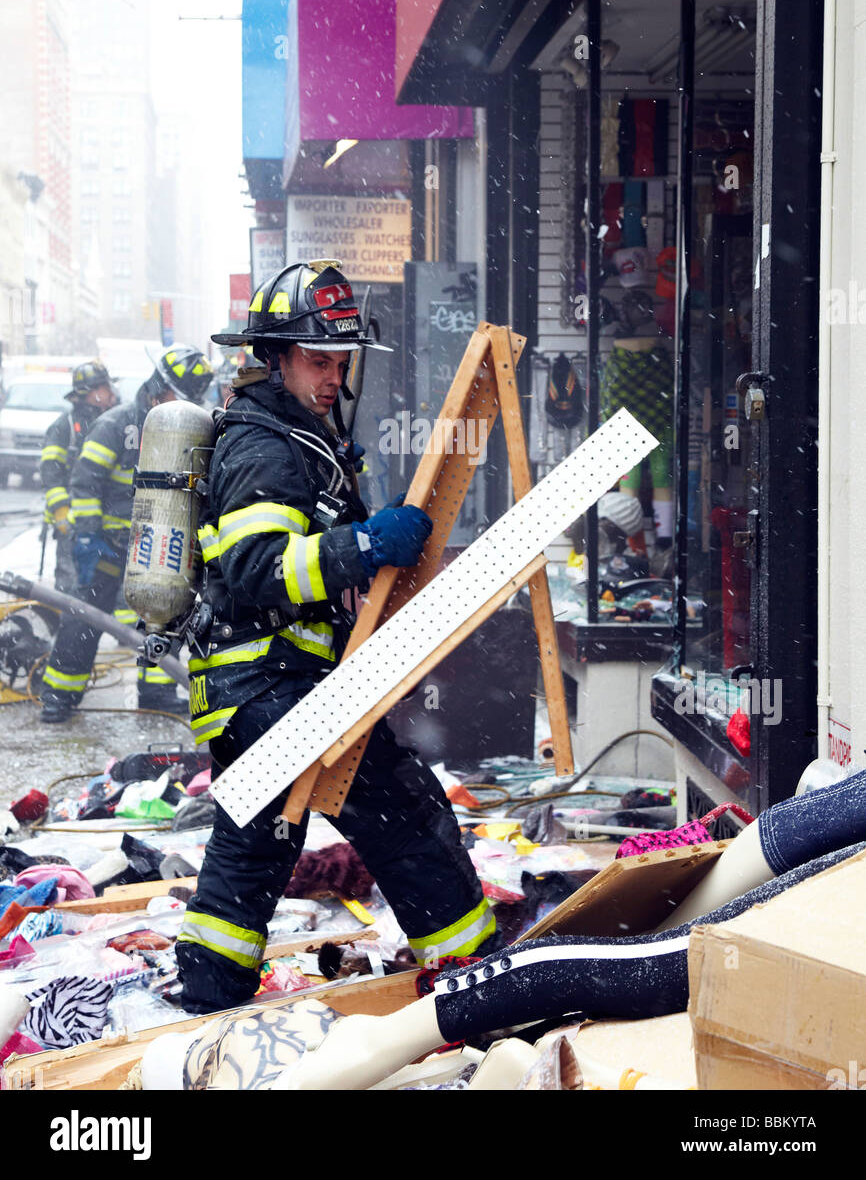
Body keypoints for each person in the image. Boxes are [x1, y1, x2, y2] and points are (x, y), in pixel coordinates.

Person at [175, 260, 499, 1015]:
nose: (331, 376)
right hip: (269, 688)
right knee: (403, 811)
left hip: (253, 693)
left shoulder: (300, 438)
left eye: (340, 361)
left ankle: (204, 1003)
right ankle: (475, 980)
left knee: (256, 846)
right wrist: (363, 546)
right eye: (317, 360)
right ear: (276, 357)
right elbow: (258, 571)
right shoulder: (263, 447)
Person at [276, 766, 866, 1090]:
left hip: (818, 836)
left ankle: (483, 1054)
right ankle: (396, 1038)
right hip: (826, 847)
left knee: (651, 964)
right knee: (651, 966)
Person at [38, 345, 214, 724]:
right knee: (85, 617)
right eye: (177, 397)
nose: (182, 406)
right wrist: (86, 537)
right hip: (107, 544)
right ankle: (60, 695)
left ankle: (157, 692)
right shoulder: (116, 425)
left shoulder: (182, 429)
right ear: (157, 388)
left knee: (162, 618)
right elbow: (84, 484)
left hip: (153, 546)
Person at [40, 360, 119, 594]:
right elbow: (50, 473)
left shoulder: (112, 421)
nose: (110, 393)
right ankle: (69, 625)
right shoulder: (64, 427)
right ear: (90, 393)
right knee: (70, 583)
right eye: (104, 388)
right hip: (71, 523)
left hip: (101, 520)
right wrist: (62, 513)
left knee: (100, 582)